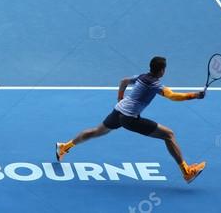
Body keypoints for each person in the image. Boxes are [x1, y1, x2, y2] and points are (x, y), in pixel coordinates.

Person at [55, 56, 206, 183]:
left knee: (96, 131)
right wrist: (196, 95)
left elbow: (123, 81)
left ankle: (64, 147)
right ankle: (186, 172)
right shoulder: (156, 85)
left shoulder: (141, 76)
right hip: (129, 119)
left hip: (118, 111)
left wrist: (120, 98)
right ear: (161, 70)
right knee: (169, 135)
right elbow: (174, 96)